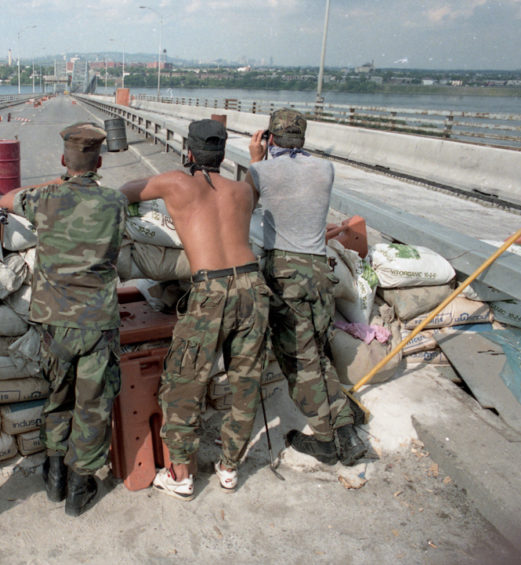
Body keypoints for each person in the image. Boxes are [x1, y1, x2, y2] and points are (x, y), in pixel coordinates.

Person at [119, 119, 270, 500]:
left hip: (211, 289)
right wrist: (256, 159)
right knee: (245, 381)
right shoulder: (242, 191)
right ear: (222, 155)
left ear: (188, 151)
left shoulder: (175, 183)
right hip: (252, 286)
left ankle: (181, 475)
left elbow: (125, 193)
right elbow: (254, 184)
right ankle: (230, 467)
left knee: (183, 384)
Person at [0, 122, 127, 517]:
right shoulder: (115, 202)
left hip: (54, 324)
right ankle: (78, 487)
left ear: (62, 160)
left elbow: (5, 199)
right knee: (92, 406)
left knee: (57, 398)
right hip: (97, 324)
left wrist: (59, 180)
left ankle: (53, 476)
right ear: (99, 162)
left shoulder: (44, 199)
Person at [244, 109, 366, 467]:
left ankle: (327, 442)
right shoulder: (324, 169)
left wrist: (255, 160)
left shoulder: (261, 171)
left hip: (286, 274)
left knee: (297, 360)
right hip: (318, 272)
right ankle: (344, 426)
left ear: (270, 138)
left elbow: (246, 206)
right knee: (313, 351)